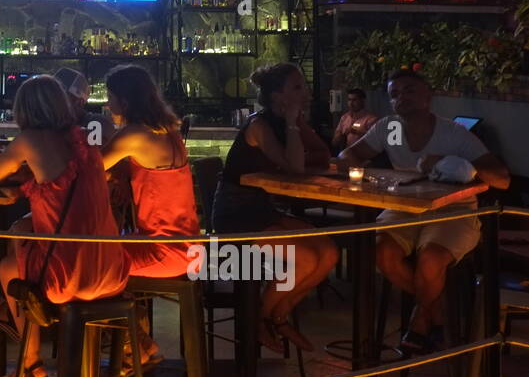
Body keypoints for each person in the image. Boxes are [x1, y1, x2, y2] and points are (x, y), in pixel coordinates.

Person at [343, 69, 511, 355]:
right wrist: (365, 172)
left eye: (409, 91)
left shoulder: (453, 133)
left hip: (452, 210)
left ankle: (420, 320)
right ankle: (439, 309)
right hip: (404, 207)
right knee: (379, 251)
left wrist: (450, 161)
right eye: (394, 94)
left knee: (431, 258)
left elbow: (502, 179)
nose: (401, 98)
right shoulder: (388, 128)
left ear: (427, 96)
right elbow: (350, 156)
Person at [0, 75, 130, 377]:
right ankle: (23, 332)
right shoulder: (85, 143)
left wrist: (23, 167)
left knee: (8, 269)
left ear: (24, 108)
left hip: (70, 280)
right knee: (21, 232)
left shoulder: (30, 140)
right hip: (113, 272)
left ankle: (31, 362)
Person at [209, 63, 340, 352]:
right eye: (296, 87)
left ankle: (275, 316)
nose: (305, 91)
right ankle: (259, 320)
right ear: (278, 95)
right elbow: (295, 167)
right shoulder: (260, 125)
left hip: (263, 208)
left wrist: (297, 126)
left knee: (329, 252)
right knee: (305, 259)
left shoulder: (287, 120)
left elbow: (322, 153)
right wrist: (294, 126)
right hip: (236, 215)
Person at [101, 64, 198, 279]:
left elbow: (89, 169)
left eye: (110, 97)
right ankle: (130, 312)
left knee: (88, 258)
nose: (107, 104)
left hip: (164, 252)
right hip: (189, 249)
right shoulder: (168, 131)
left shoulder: (134, 135)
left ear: (124, 101)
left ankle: (114, 311)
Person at [332, 87, 378, 153]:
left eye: (354, 100)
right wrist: (340, 135)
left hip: (364, 157)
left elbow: (376, 142)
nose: (351, 103)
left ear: (362, 101)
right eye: (349, 100)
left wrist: (357, 132)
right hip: (346, 155)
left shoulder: (371, 119)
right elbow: (334, 143)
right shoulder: (344, 118)